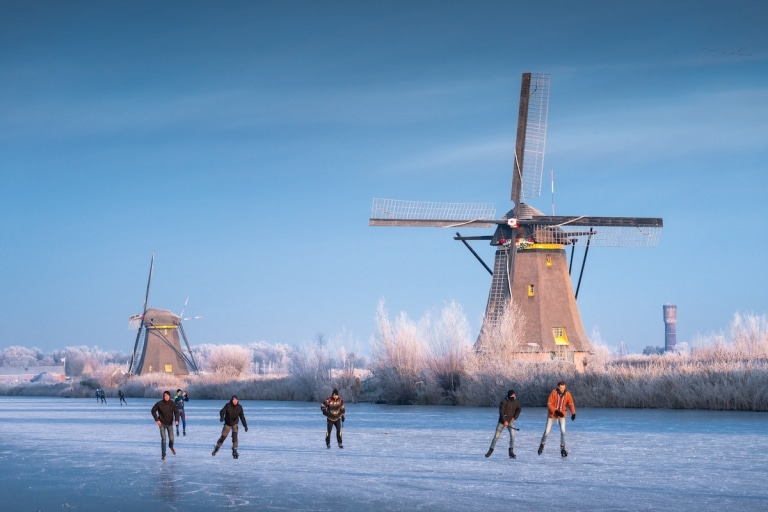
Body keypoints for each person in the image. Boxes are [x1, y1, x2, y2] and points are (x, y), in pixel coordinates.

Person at [538, 381, 576, 457]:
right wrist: (556, 411)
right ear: (558, 387)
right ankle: (542, 444)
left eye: (563, 387)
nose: (562, 389)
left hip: (562, 415)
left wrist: (573, 413)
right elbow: (549, 404)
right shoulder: (554, 393)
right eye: (561, 388)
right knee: (547, 431)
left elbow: (570, 403)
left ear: (565, 387)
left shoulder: (567, 394)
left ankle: (563, 447)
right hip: (552, 415)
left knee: (563, 431)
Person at [485, 389, 522, 459]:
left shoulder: (516, 402)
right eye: (512, 395)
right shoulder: (504, 402)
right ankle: (490, 450)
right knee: (496, 437)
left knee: (513, 436)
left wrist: (514, 417)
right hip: (502, 421)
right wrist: (504, 421)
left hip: (510, 421)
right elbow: (501, 412)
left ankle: (511, 452)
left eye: (514, 395)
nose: (514, 396)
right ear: (509, 395)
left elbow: (519, 409)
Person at [151, 390, 180, 461]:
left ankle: (171, 446)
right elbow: (153, 411)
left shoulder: (172, 403)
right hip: (162, 423)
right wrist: (157, 420)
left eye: (167, 396)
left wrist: (176, 420)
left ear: (169, 396)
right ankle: (163, 454)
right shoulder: (159, 403)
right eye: (164, 396)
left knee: (171, 439)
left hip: (169, 423)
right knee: (163, 439)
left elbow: (176, 412)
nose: (165, 397)